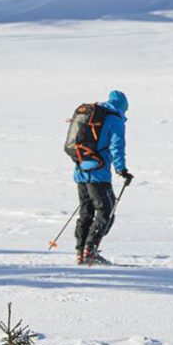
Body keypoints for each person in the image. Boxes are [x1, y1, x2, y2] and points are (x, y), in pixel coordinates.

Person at [74, 90, 133, 265]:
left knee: (86, 212)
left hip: (80, 171)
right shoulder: (114, 120)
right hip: (99, 173)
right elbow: (117, 145)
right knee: (106, 212)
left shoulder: (91, 116)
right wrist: (121, 170)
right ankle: (90, 250)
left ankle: (80, 252)